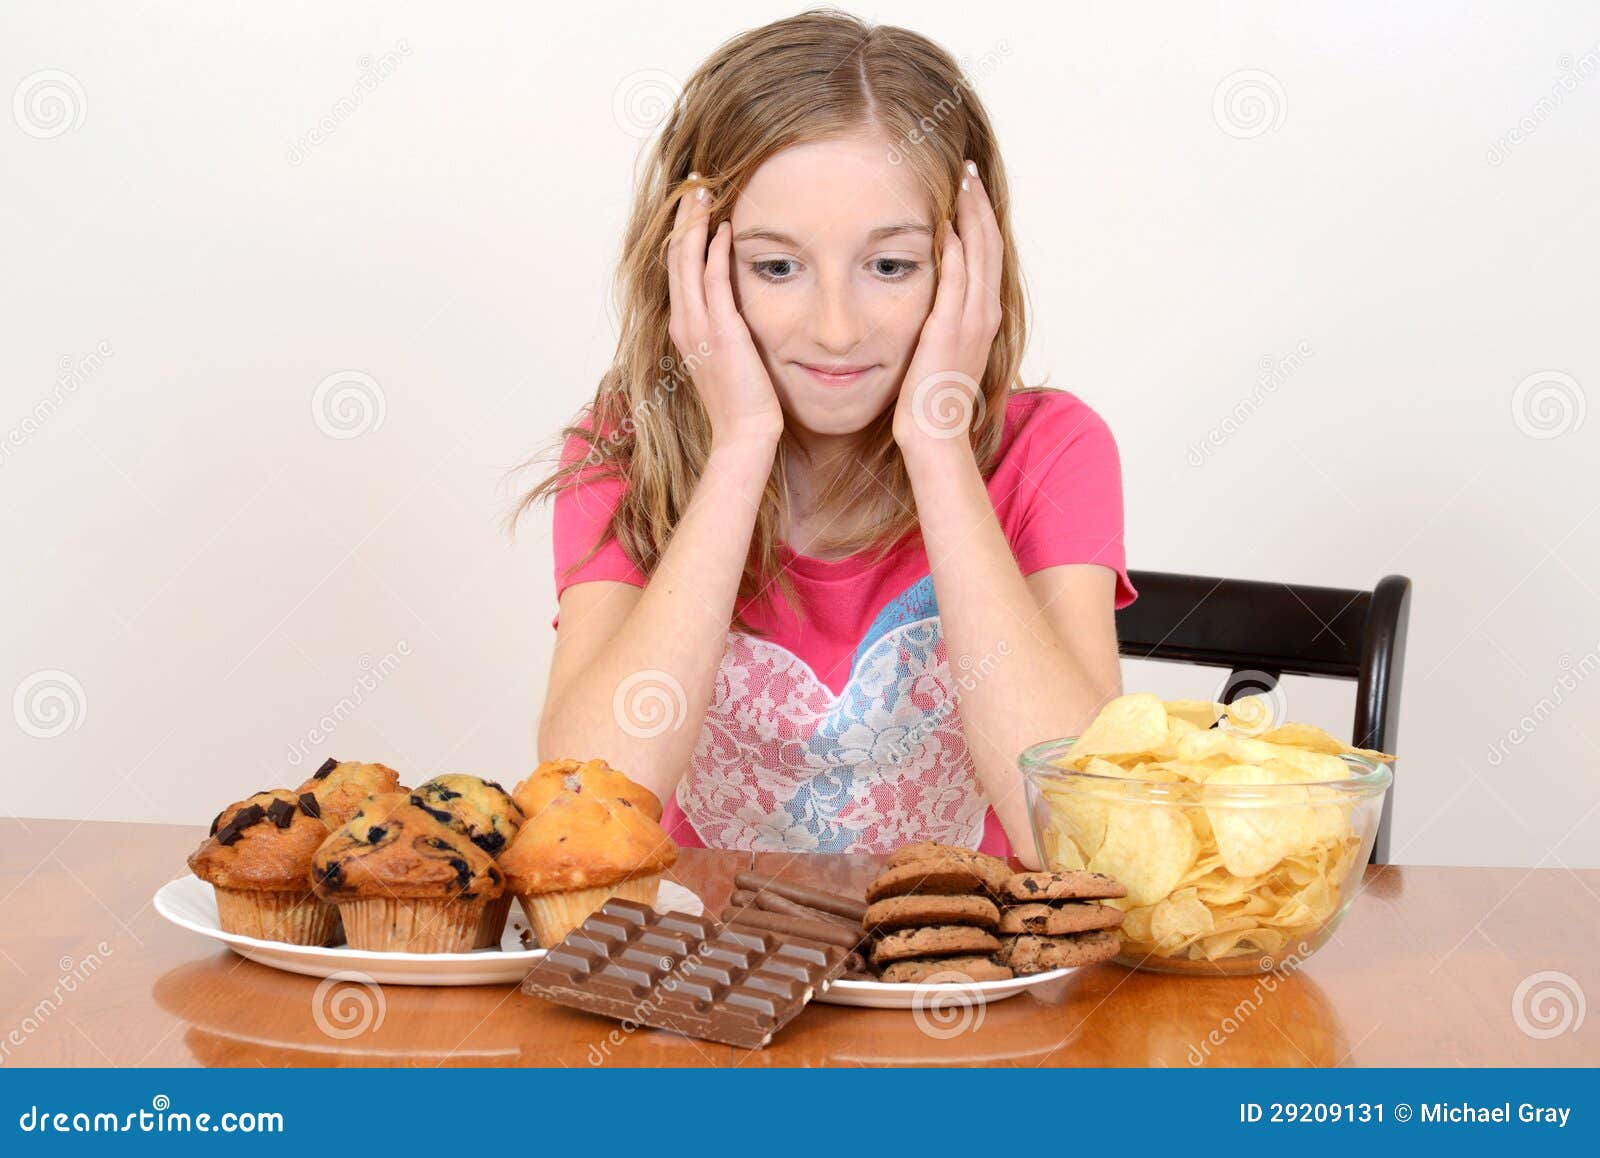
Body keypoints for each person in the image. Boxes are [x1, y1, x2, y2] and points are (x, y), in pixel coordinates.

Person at [516, 10, 1137, 866]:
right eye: (777, 267)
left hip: (965, 989)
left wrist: (938, 445)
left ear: (970, 263)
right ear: (693, 265)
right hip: (698, 986)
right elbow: (583, 815)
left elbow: (1077, 835)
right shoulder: (626, 449)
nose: (837, 330)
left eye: (891, 266)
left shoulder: (1052, 449)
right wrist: (739, 448)